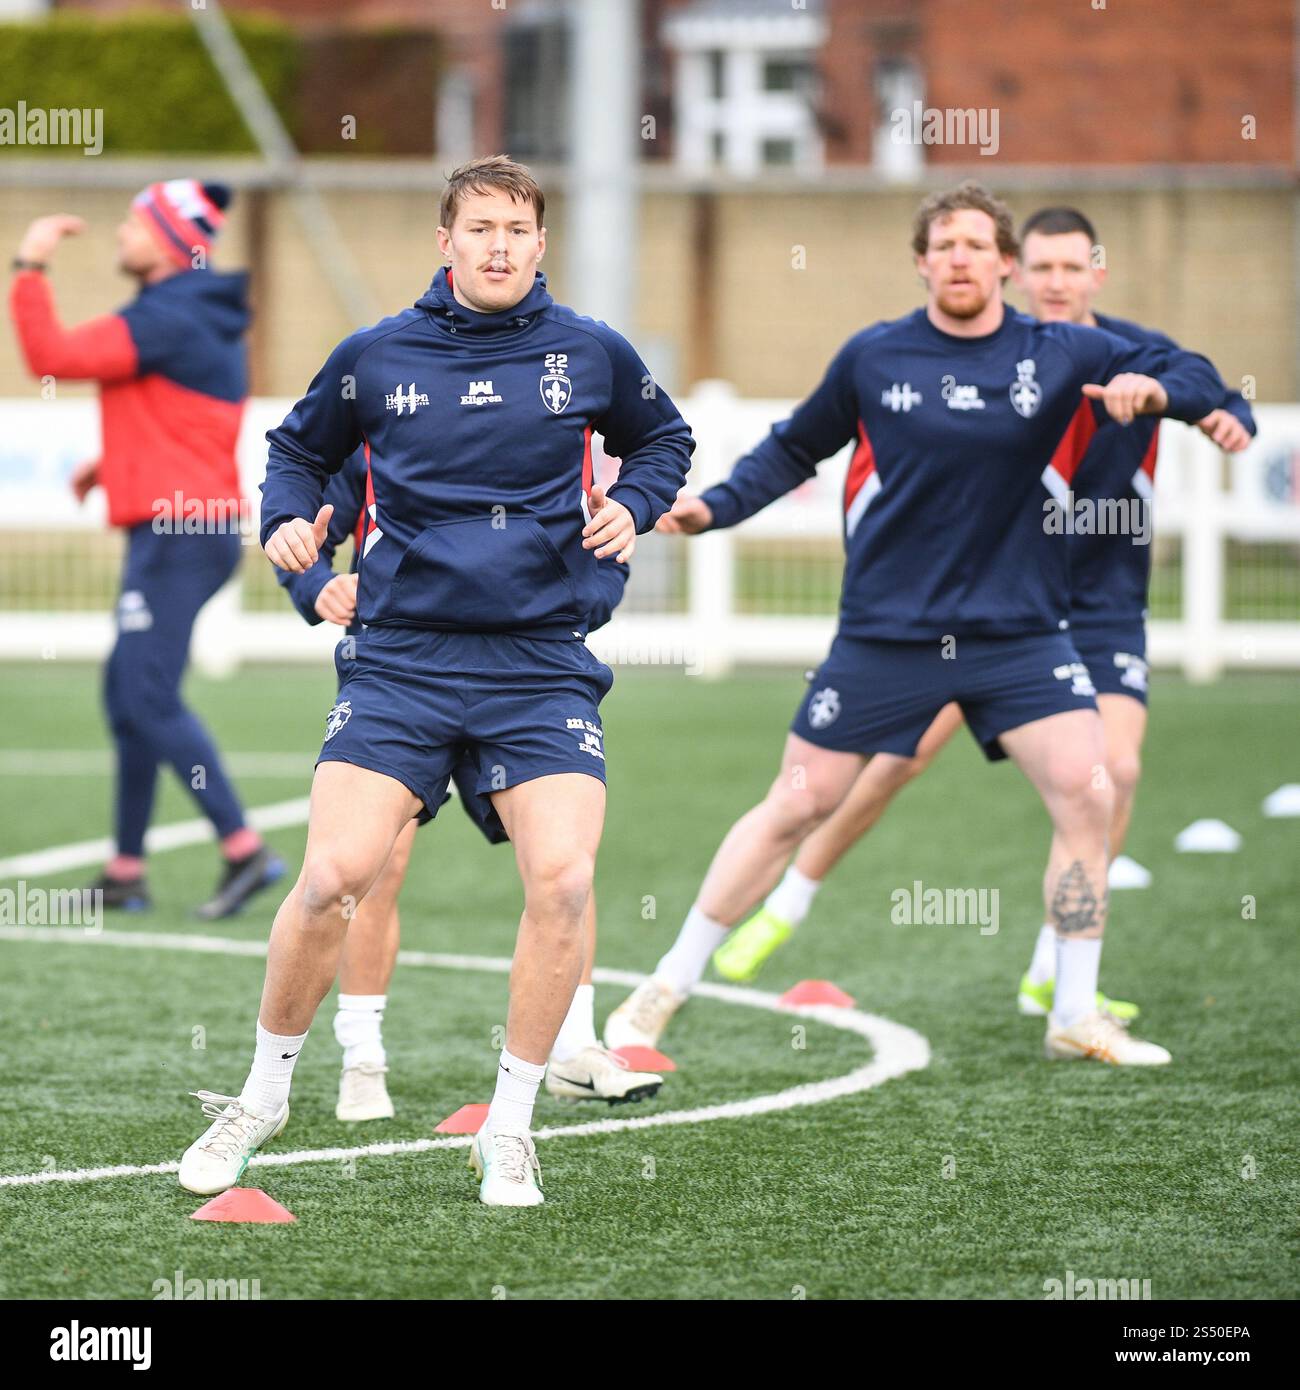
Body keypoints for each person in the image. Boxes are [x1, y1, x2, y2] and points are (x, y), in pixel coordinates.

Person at [606, 180, 1225, 1068]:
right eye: (946, 246)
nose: (962, 260)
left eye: (979, 245)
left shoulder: (1061, 350)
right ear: (922, 262)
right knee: (795, 806)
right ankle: (664, 987)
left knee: (1092, 792)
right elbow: (793, 447)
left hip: (1020, 634)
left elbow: (1194, 374)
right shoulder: (876, 356)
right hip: (887, 636)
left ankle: (1075, 1012)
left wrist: (1150, 388)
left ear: (1005, 264)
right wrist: (714, 509)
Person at [179, 156, 693, 1207]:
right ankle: (263, 1095)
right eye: (479, 228)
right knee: (332, 878)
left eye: (517, 228)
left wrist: (635, 504)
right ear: (445, 240)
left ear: (540, 243)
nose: (498, 245)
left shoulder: (588, 351)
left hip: (537, 661)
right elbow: (293, 448)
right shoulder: (376, 353)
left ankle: (509, 1126)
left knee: (563, 881)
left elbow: (665, 438)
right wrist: (288, 521)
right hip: (404, 659)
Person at [276, 447, 662, 1121]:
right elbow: (302, 518)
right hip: (403, 671)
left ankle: (573, 1046)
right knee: (373, 864)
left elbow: (608, 548)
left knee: (561, 858)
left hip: (524, 674)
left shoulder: (546, 422)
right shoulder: (381, 418)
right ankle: (361, 1057)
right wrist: (316, 585)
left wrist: (571, 605)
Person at [9, 181, 282, 921]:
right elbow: (184, 419)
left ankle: (243, 849)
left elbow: (50, 355)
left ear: (169, 240)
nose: (120, 235)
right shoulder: (190, 316)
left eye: (133, 223)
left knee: (147, 695)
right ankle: (126, 868)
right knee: (127, 697)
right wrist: (113, 463)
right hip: (174, 531)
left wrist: (29, 267)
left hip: (180, 536)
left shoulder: (169, 317)